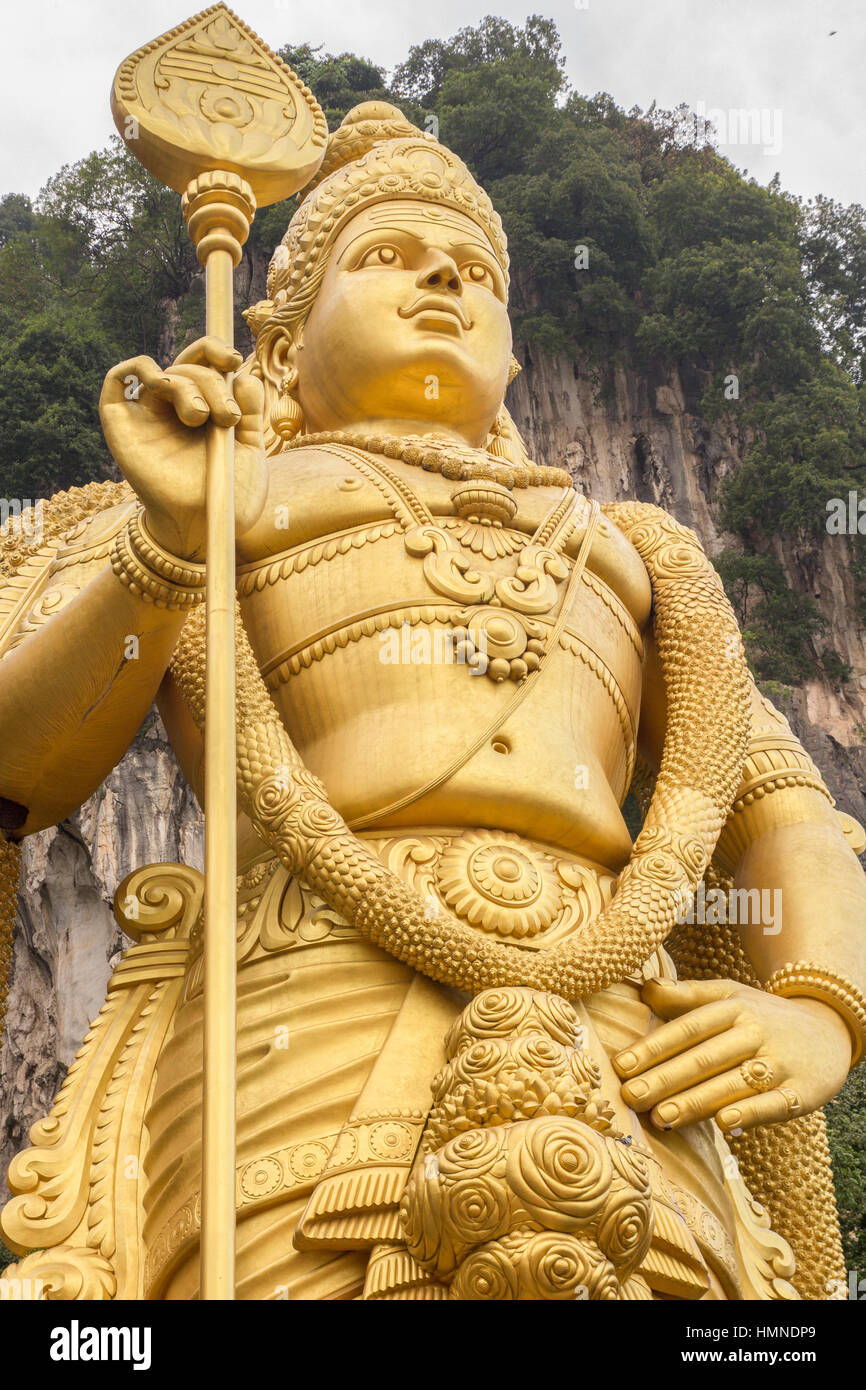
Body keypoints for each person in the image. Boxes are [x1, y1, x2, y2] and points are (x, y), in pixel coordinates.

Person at [1, 103, 864, 1301]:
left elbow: (776, 803)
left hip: (616, 1029)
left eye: (474, 271)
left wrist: (820, 1008)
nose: (443, 276)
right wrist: (162, 542)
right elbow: (17, 772)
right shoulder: (208, 496)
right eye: (384, 258)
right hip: (300, 1003)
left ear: (513, 358)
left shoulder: (630, 551)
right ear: (283, 345)